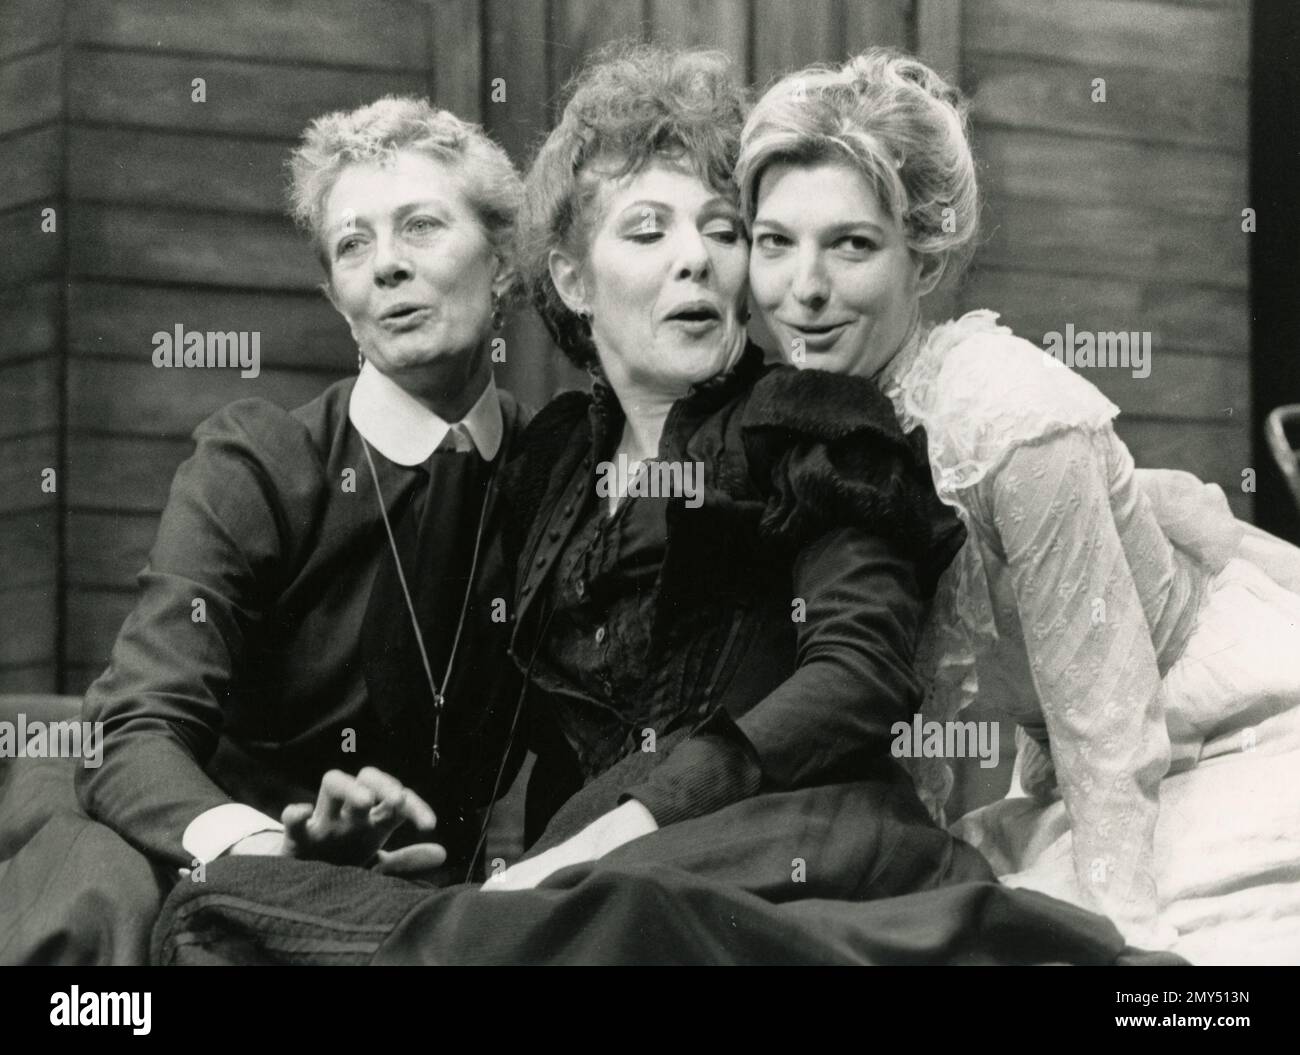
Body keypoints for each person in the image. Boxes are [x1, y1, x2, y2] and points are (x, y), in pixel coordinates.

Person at [150, 46, 1162, 967]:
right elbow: (514, 721)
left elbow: (856, 673)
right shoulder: (546, 464)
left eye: (724, 230)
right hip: (590, 866)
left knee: (239, 923)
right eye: (647, 228)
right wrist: (426, 833)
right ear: (570, 278)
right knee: (232, 908)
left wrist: (627, 823)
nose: (696, 258)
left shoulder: (811, 422)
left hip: (781, 837)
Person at [738, 47, 1300, 962]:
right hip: (1059, 772)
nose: (802, 291)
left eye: (851, 244)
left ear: (922, 259)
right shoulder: (813, 413)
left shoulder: (1011, 421)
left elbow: (1107, 721)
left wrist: (1123, 948)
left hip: (1218, 743)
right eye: (775, 242)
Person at [0, 96, 532, 963]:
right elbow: (132, 731)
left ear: (504, 260)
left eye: (422, 226)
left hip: (391, 906)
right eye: (354, 245)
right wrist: (270, 847)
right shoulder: (258, 461)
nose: (386, 266)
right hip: (176, 843)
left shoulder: (551, 474)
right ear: (337, 298)